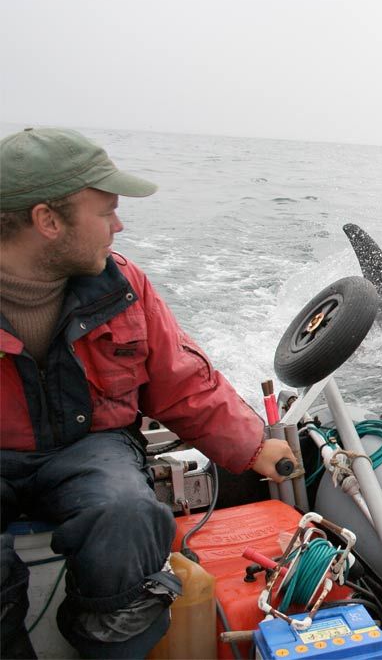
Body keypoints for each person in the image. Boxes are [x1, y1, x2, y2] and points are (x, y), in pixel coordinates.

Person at [0, 127, 297, 658]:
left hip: (89, 447)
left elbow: (181, 379)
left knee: (128, 513)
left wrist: (253, 445)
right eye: (106, 212)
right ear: (48, 221)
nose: (119, 225)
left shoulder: (122, 285)